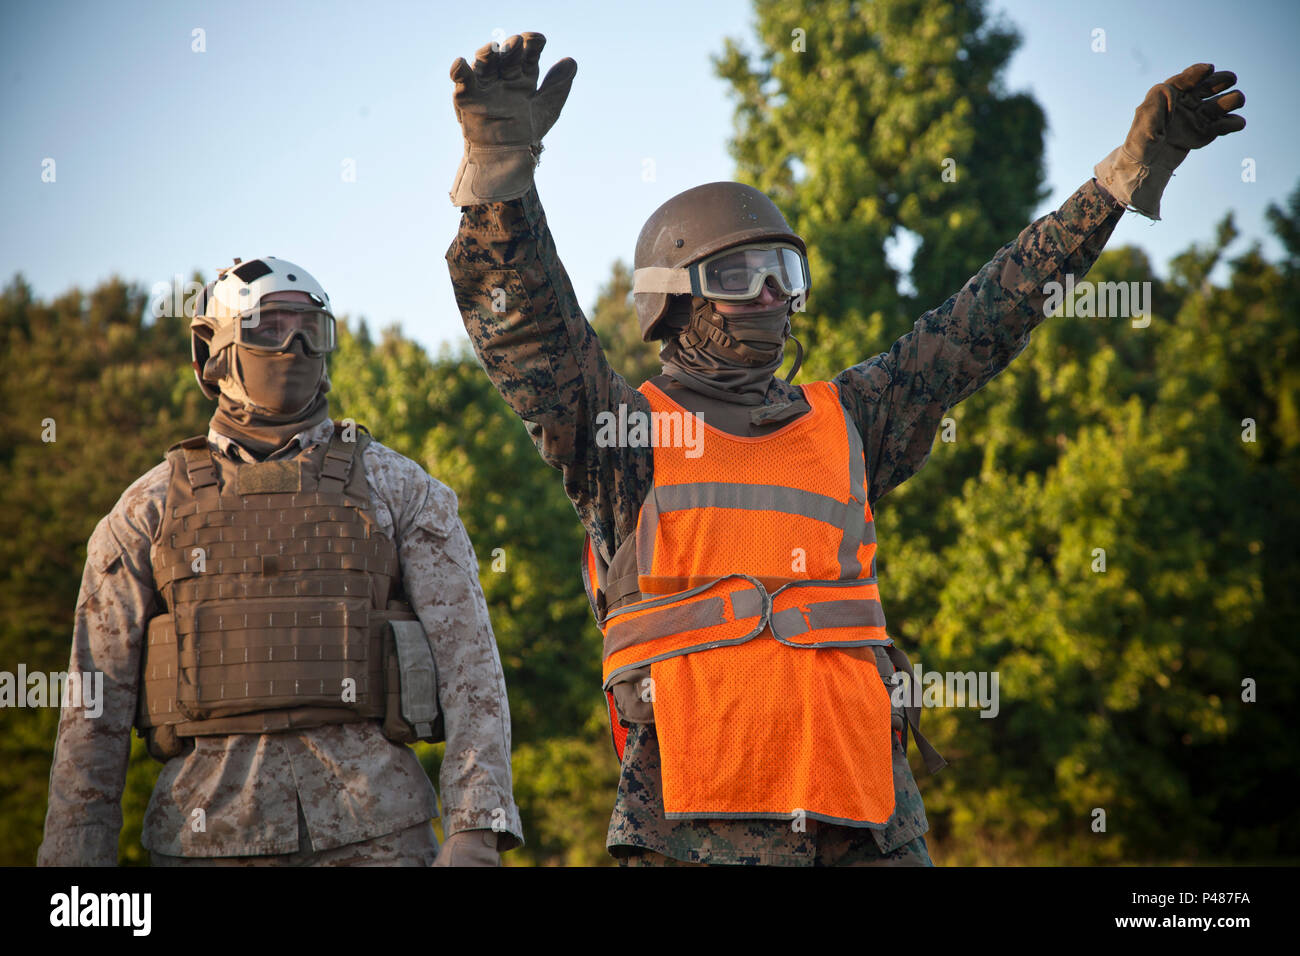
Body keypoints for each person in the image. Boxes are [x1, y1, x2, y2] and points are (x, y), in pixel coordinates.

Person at [444, 34, 1244, 865]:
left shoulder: (850, 420)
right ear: (674, 303)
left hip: (867, 817)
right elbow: (532, 332)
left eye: (782, 273)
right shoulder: (621, 440)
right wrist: (501, 174)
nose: (769, 295)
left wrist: (1118, 182)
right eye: (738, 276)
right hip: (693, 828)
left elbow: (988, 316)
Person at [38, 256, 522, 866]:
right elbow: (92, 710)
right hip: (207, 840)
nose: (293, 347)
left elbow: (471, 669)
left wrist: (476, 829)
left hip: (378, 837)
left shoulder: (398, 489)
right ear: (211, 352)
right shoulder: (147, 511)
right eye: (268, 328)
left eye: (308, 331)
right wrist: (74, 866)